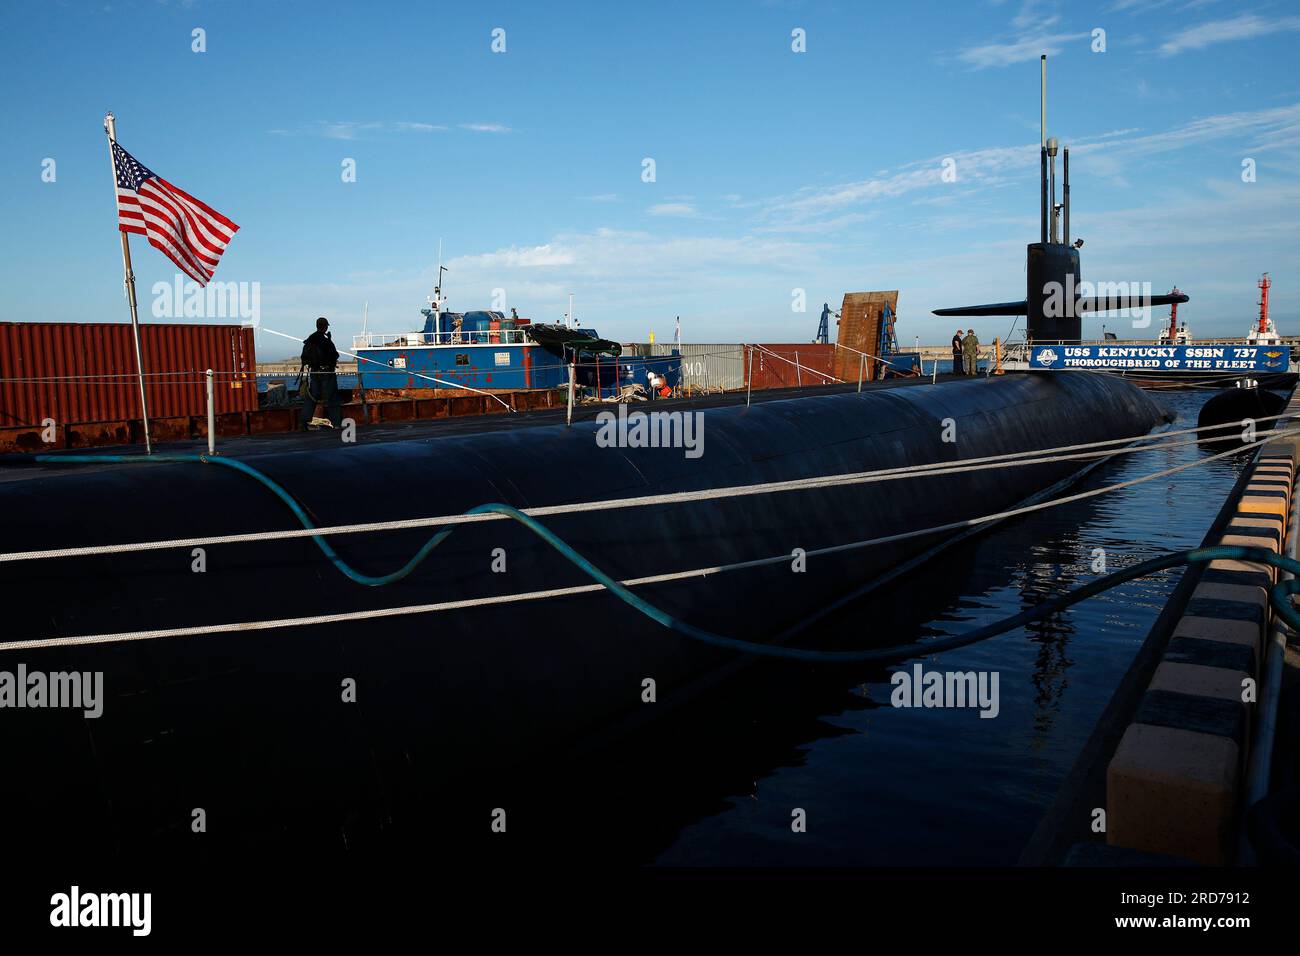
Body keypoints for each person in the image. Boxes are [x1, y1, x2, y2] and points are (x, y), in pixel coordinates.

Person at [300, 316, 342, 430]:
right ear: (325, 327)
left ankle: (304, 421)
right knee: (332, 397)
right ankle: (336, 423)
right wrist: (329, 340)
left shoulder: (310, 339)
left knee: (312, 397)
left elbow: (304, 357)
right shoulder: (325, 340)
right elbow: (335, 355)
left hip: (314, 373)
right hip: (327, 373)